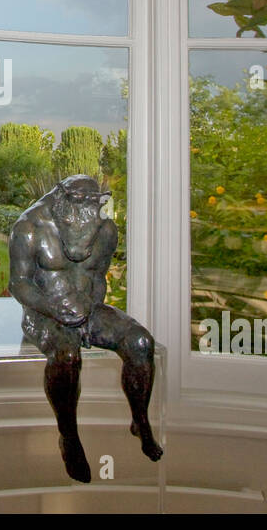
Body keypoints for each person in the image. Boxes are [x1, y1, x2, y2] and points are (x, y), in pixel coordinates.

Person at [8, 175, 163, 483]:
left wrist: (89, 311)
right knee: (66, 355)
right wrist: (55, 309)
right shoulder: (28, 228)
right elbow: (19, 284)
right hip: (44, 311)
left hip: (87, 310)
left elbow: (98, 276)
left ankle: (140, 420)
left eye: (90, 206)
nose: (82, 214)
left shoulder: (106, 231)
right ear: (61, 198)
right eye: (75, 204)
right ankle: (69, 436)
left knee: (141, 342)